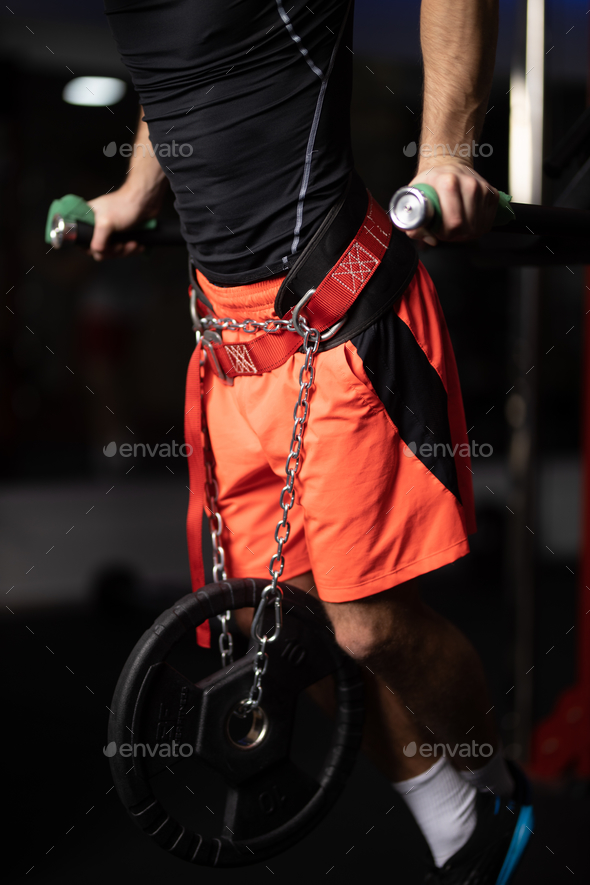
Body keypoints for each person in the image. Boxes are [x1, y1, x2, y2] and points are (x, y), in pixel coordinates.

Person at [89, 1, 532, 881]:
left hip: (341, 313)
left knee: (365, 625)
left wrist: (446, 154)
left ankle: (493, 785)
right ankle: (457, 827)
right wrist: (143, 185)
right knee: (272, 632)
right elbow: (177, 69)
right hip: (227, 344)